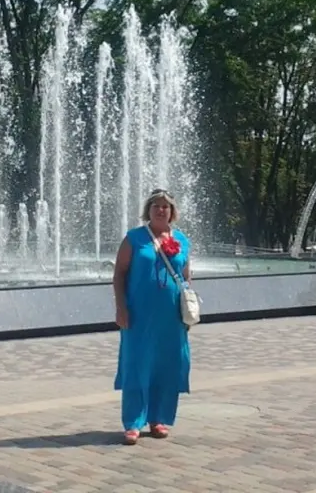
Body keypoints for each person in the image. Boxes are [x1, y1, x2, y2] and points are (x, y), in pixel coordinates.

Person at [113, 188, 192, 445]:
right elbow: (119, 274)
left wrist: (187, 310)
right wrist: (121, 307)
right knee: (137, 364)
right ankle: (133, 422)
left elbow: (186, 276)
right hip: (139, 315)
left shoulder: (181, 240)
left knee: (167, 365)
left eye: (165, 206)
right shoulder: (134, 238)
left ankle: (159, 418)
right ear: (148, 210)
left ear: (172, 211)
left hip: (171, 318)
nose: (161, 210)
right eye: (156, 206)